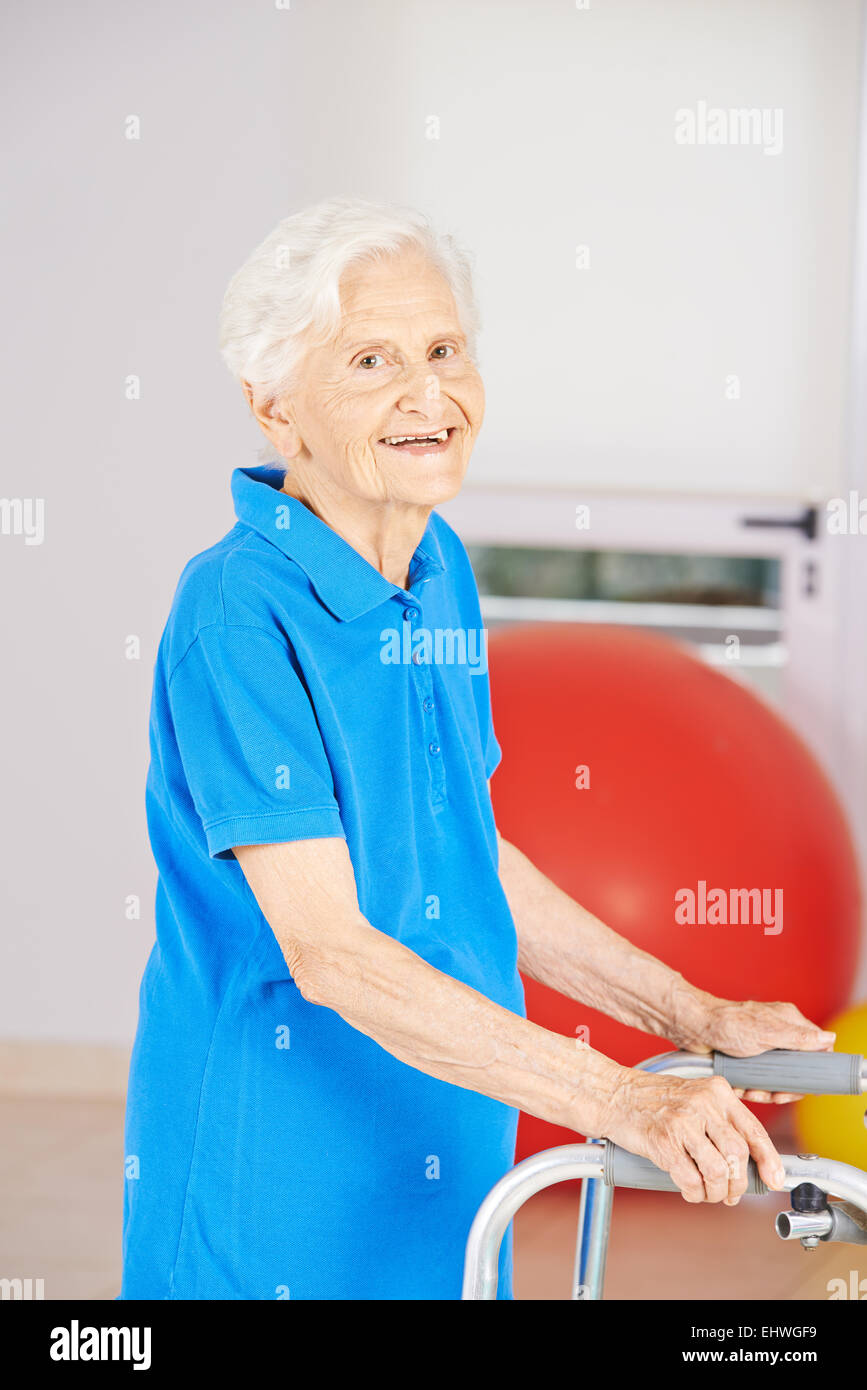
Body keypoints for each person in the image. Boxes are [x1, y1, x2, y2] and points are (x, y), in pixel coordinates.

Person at [119, 197, 835, 1300]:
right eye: (371, 359)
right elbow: (333, 952)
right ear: (275, 408)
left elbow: (470, 855)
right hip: (277, 1169)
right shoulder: (234, 616)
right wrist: (618, 1097)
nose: (429, 392)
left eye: (446, 348)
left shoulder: (435, 561)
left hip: (444, 1134)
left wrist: (695, 1016)